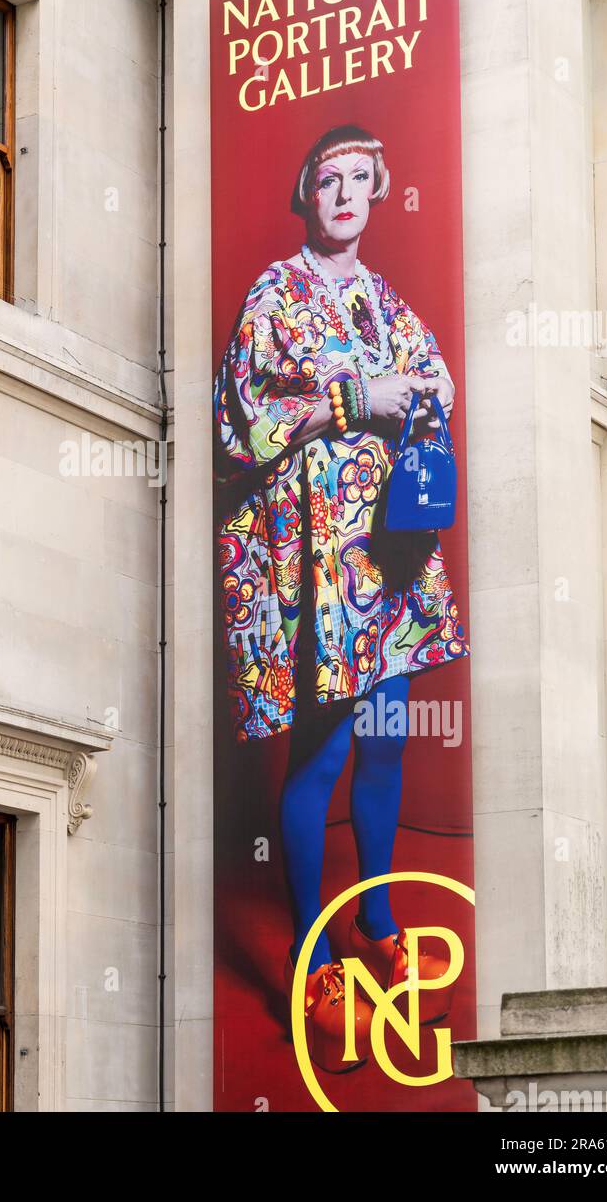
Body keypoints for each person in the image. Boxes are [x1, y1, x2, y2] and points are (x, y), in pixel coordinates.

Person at [214, 123, 469, 1072]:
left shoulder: (382, 300)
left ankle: (379, 917)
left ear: (377, 191)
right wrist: (359, 398)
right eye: (330, 178)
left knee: (388, 739)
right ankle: (308, 954)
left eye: (363, 179)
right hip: (315, 557)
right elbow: (241, 419)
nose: (346, 194)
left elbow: (435, 380)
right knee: (318, 756)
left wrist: (397, 391)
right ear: (305, 191)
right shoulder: (275, 294)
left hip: (388, 559)